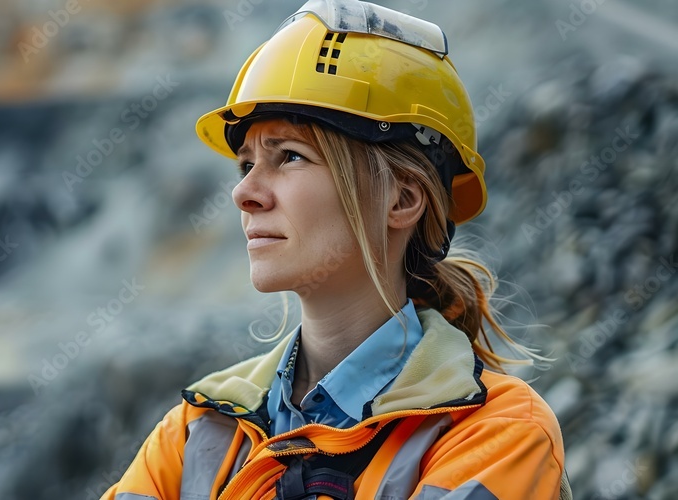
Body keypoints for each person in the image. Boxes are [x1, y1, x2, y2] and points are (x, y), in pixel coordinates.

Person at [103, 1, 571, 498]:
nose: (244, 193)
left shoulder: (495, 433)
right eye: (246, 165)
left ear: (403, 198)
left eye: (289, 156)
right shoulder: (200, 427)